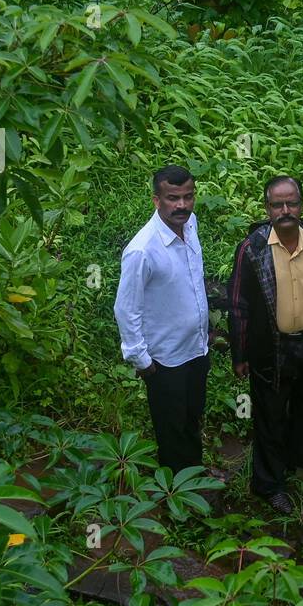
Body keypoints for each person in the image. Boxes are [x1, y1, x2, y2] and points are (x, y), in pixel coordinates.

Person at [228, 176, 303, 513]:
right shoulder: (251, 249)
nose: (285, 210)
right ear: (267, 208)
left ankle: (301, 462)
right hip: (270, 347)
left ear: (302, 204)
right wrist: (240, 353)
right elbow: (238, 303)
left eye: (292, 203)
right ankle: (269, 484)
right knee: (269, 414)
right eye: (277, 204)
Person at [113, 164, 211, 477]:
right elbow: (126, 309)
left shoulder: (191, 224)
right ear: (157, 200)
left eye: (188, 197)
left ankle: (194, 475)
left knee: (192, 417)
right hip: (165, 359)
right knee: (172, 428)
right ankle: (177, 496)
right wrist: (141, 359)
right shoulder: (142, 250)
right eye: (172, 198)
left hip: (196, 348)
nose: (181, 205)